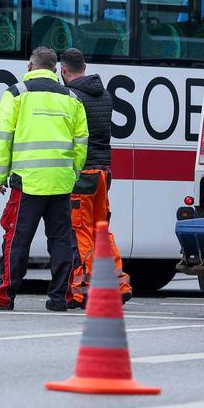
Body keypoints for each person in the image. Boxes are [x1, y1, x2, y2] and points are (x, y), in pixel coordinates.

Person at [0, 47, 87, 312]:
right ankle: (58, 298)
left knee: (17, 239)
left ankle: (4, 296)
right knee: (60, 240)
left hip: (27, 182)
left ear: (30, 67)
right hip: (60, 182)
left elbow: (1, 138)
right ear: (56, 69)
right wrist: (73, 174)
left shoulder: (16, 94)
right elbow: (81, 143)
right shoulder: (71, 98)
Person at [59, 48, 132, 306]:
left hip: (83, 173)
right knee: (102, 231)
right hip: (103, 172)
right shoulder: (105, 95)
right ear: (85, 65)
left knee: (80, 231)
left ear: (63, 70)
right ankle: (120, 283)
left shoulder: (71, 97)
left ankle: (82, 290)